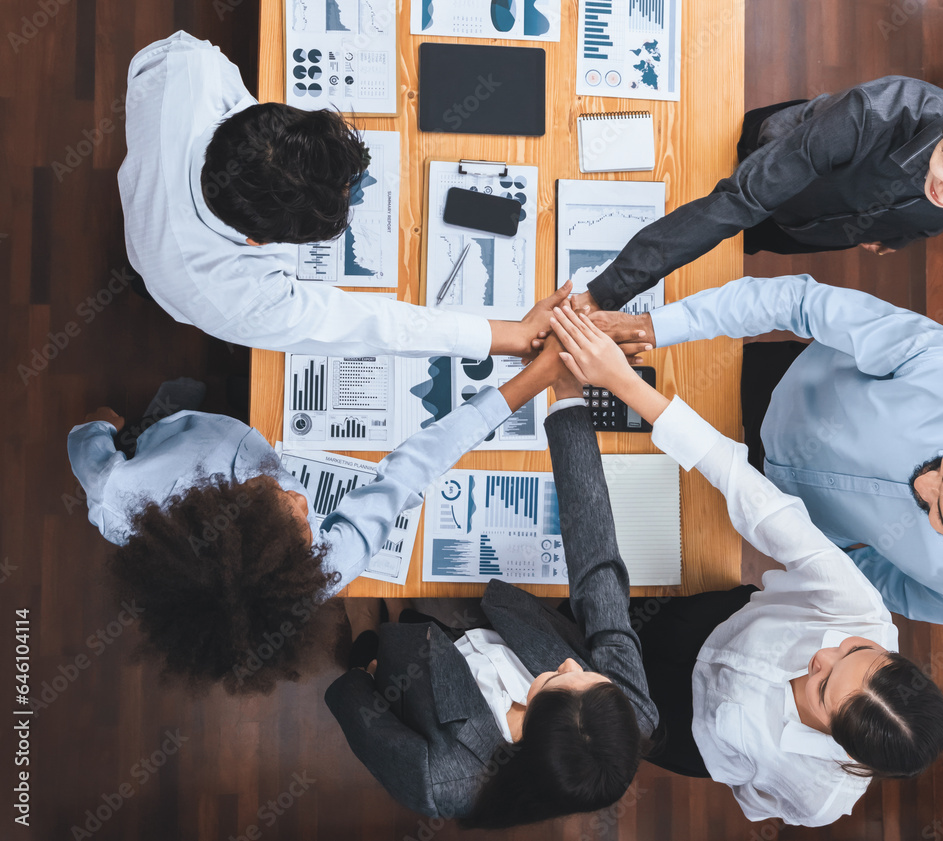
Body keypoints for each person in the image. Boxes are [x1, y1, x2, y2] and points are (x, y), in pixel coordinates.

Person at [548, 304, 943, 827]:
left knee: (569, 673)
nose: (823, 653)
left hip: (682, 729)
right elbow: (755, 495)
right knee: (586, 594)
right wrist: (625, 385)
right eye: (855, 650)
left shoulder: (817, 798)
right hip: (711, 624)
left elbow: (753, 797)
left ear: (844, 752)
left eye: (823, 687)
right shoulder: (856, 608)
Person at [324, 342, 658, 827]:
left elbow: (355, 709)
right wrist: (567, 399)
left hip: (402, 673)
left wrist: (365, 673)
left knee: (379, 628)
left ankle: (375, 633)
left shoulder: (439, 781)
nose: (573, 660)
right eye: (589, 672)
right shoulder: (627, 714)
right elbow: (597, 565)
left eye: (563, 677)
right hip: (488, 615)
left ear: (531, 722)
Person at [66, 362, 551, 694]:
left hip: (176, 440)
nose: (302, 499)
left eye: (278, 498)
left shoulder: (118, 494)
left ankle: (164, 415)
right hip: (211, 438)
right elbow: (410, 471)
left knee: (173, 412)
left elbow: (89, 454)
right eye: (299, 517)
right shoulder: (321, 567)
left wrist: (98, 425)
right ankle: (169, 413)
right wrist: (530, 383)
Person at [118, 31, 575, 358]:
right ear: (261, 243)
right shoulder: (229, 300)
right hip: (162, 275)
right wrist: (507, 335)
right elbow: (371, 326)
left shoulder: (188, 65)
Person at [592, 274, 943, 624]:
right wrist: (651, 327)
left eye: (936, 514)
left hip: (749, 520)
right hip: (753, 390)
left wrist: (798, 553)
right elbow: (801, 302)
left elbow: (865, 587)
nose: (924, 483)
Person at [577, 75, 943, 314]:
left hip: (818, 229)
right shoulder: (876, 112)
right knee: (716, 197)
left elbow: (940, 217)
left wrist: (899, 236)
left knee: (757, 241)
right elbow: (742, 200)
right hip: (765, 159)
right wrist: (605, 292)